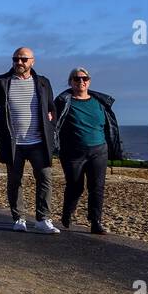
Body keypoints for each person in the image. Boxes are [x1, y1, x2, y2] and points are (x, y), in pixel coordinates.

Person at [0, 47, 58, 233]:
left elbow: (51, 109)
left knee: (45, 178)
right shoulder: (0, 82)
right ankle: (19, 219)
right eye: (16, 59)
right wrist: (1, 129)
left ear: (33, 61)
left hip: (39, 142)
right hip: (14, 143)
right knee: (15, 181)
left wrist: (51, 126)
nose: (19, 62)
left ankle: (43, 220)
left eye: (24, 59)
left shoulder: (42, 82)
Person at [53, 67, 123, 235]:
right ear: (70, 82)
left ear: (89, 81)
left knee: (97, 187)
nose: (81, 81)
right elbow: (53, 124)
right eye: (77, 79)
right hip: (73, 153)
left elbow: (109, 126)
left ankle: (95, 222)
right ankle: (68, 211)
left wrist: (112, 146)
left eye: (85, 78)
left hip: (99, 150)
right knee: (75, 187)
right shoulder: (63, 102)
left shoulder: (100, 102)